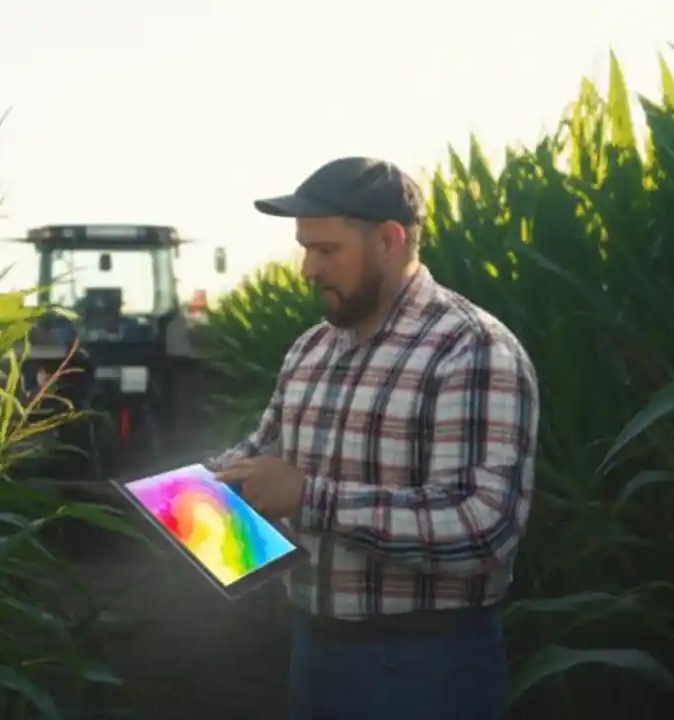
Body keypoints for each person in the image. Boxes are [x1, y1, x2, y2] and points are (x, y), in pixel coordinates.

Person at [207, 156, 540, 720]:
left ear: (389, 240)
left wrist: (311, 497)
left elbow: (485, 528)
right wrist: (193, 491)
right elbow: (261, 455)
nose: (308, 269)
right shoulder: (313, 348)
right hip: (315, 648)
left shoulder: (471, 348)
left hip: (427, 663)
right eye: (304, 248)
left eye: (327, 250)